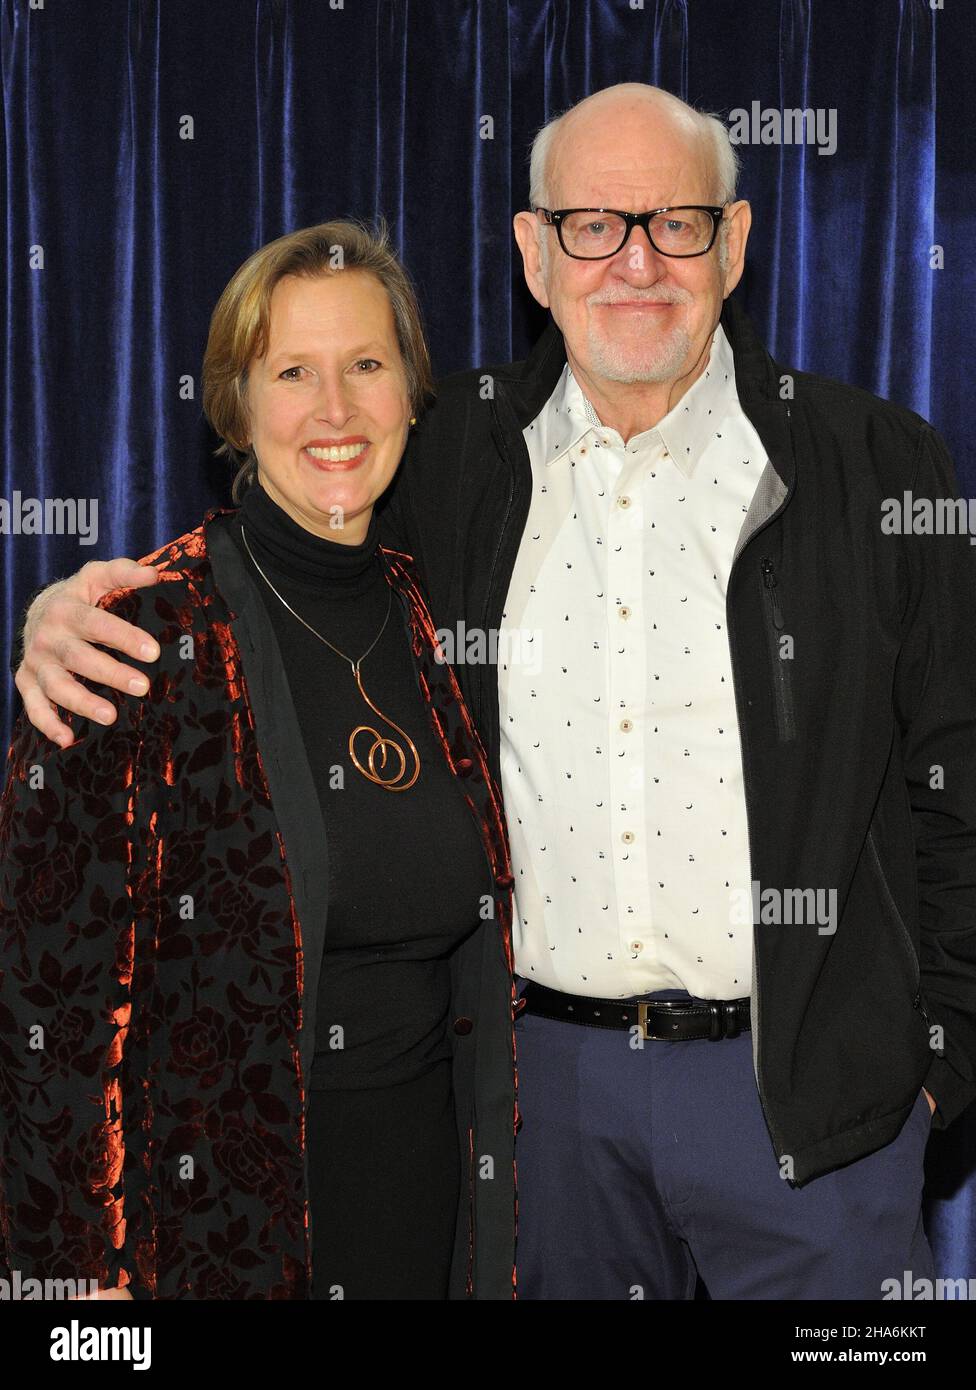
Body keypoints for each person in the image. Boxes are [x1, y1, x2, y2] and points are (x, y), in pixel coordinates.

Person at [12, 82, 976, 1299]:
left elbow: (959, 776)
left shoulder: (877, 462)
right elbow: (282, 549)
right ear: (532, 251)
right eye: (590, 225)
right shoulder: (454, 457)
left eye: (674, 222)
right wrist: (71, 610)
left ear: (732, 243)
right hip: (537, 1119)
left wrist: (938, 1061)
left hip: (818, 1119)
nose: (635, 262)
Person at [0, 219, 517, 1301]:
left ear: (411, 391)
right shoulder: (140, 641)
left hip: (435, 1224)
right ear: (236, 403)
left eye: (366, 365)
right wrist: (73, 1287)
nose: (335, 410)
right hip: (215, 1244)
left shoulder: (437, 612)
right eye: (293, 371)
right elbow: (45, 1010)